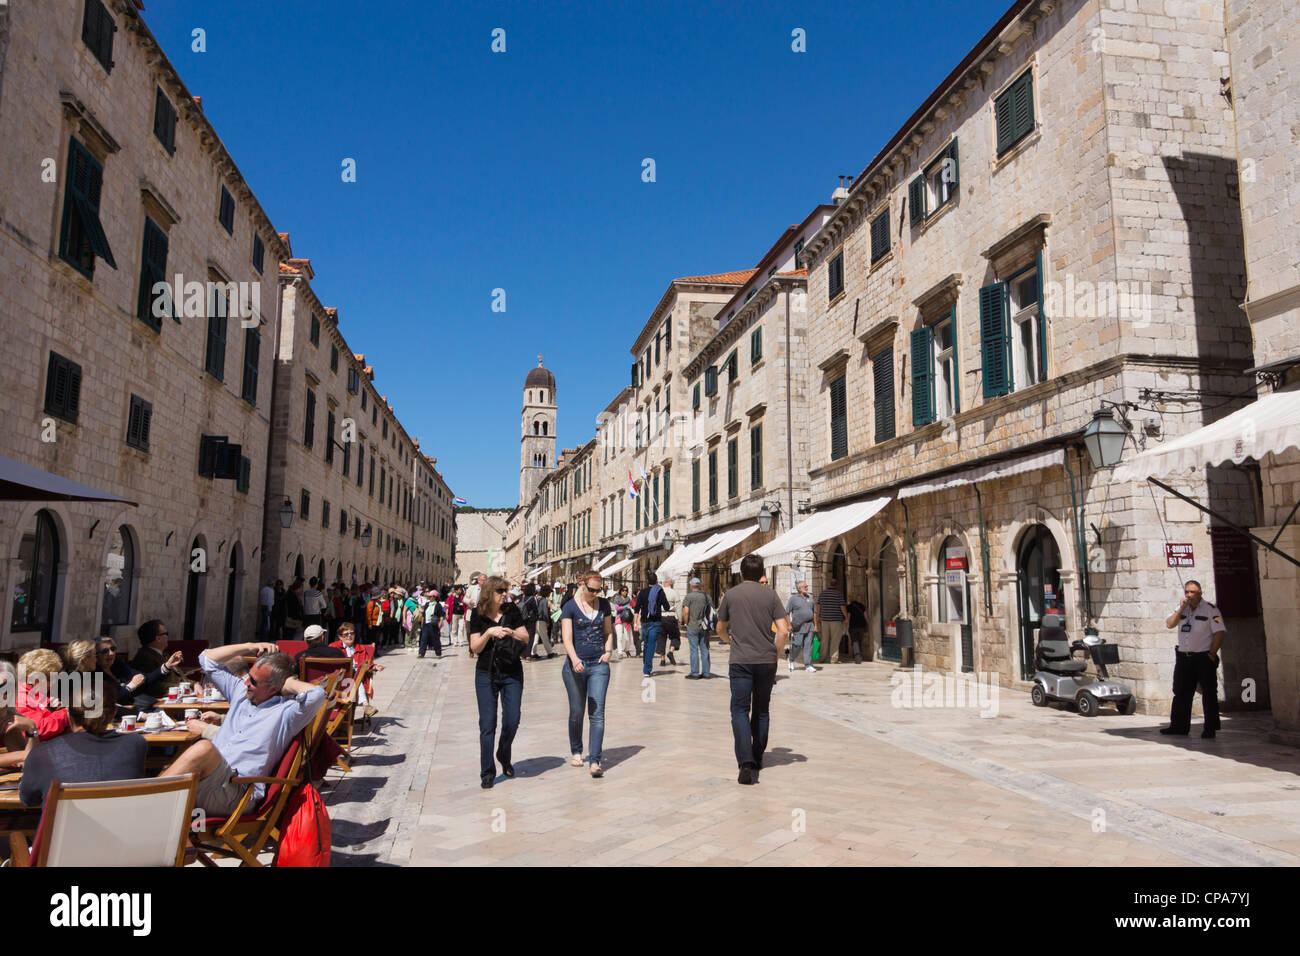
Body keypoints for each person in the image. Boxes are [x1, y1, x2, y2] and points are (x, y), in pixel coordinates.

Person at [162, 643, 326, 818]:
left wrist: (288, 682)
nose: (246, 682)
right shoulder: (240, 692)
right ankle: (153, 822)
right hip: (211, 778)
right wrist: (250, 646)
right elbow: (207, 659)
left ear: (273, 688)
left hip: (237, 791)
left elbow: (318, 694)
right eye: (248, 676)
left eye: (254, 681)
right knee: (169, 772)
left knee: (203, 749)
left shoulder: (287, 713)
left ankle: (141, 806)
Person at [716, 554, 791, 785]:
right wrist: (776, 655)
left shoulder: (731, 595)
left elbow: (720, 627)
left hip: (740, 660)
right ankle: (757, 757)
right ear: (761, 574)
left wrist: (730, 641)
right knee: (761, 710)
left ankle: (746, 763)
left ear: (741, 573)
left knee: (739, 710)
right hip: (765, 661)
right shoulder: (770, 595)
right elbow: (784, 631)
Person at [19, 685, 146, 807]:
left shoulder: (43, 753)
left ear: (68, 715)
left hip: (65, 828)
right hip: (121, 826)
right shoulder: (135, 744)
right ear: (113, 714)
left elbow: (28, 799)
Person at [469, 575, 529, 789]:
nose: (505, 594)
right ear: (489, 593)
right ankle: (487, 772)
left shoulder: (511, 611)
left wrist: (510, 631)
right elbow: (475, 647)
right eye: (501, 591)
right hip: (486, 674)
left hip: (512, 672)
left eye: (506, 590)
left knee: (512, 719)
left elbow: (525, 637)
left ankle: (503, 753)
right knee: (487, 724)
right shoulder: (478, 614)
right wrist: (488, 633)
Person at [560, 570, 613, 777]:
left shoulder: (605, 605)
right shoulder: (570, 607)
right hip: (575, 665)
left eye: (598, 590)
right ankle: (576, 750)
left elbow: (608, 632)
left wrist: (608, 651)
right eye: (591, 590)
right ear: (582, 585)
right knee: (576, 711)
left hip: (599, 665)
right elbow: (566, 638)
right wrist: (574, 660)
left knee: (597, 713)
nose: (594, 594)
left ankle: (596, 760)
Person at [1162, 580, 1226, 739]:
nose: (1189, 595)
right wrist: (1182, 608)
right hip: (1184, 657)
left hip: (1203, 657)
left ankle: (1210, 728)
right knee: (1181, 692)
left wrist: (1212, 653)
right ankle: (1179, 726)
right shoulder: (1182, 608)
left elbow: (1219, 632)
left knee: (1209, 692)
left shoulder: (1211, 610)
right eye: (1187, 592)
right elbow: (1169, 624)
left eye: (1193, 592)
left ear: (1200, 593)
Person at [15, 648, 71, 741]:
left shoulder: (35, 692)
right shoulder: (20, 697)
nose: (52, 683)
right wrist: (66, 714)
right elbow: (37, 731)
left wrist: (56, 708)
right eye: (49, 678)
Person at [332, 622, 383, 719]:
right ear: (340, 637)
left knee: (356, 678)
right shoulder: (333, 647)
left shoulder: (361, 649)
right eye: (346, 634)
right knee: (354, 679)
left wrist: (375, 667)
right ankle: (365, 705)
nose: (349, 636)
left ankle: (363, 707)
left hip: (355, 679)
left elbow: (367, 664)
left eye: (352, 633)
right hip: (339, 680)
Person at [94, 637, 158, 710]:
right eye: (105, 651)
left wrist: (166, 667)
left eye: (113, 649)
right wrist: (131, 686)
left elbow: (145, 678)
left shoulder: (117, 665)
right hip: (121, 713)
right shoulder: (95, 674)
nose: (111, 653)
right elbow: (113, 699)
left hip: (140, 706)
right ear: (96, 655)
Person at [131, 620, 186, 699]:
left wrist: (194, 684)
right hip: (162, 700)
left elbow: (180, 676)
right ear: (158, 638)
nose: (167, 637)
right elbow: (153, 686)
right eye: (166, 634)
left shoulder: (164, 654)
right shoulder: (144, 657)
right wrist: (182, 687)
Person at [0, 661, 37, 770]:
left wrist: (33, 729)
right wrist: (23, 755)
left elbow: (29, 764)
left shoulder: (6, 717)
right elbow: (25, 755)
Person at [634, 573, 670, 677]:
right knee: (651, 645)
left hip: (645, 621)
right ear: (656, 580)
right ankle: (647, 669)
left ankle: (646, 664)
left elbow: (637, 608)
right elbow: (667, 607)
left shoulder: (642, 593)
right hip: (656, 621)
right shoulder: (659, 591)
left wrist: (635, 623)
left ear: (647, 581)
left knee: (646, 644)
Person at [680, 577, 713, 679]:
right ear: (699, 586)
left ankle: (694, 673)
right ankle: (706, 673)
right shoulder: (706, 596)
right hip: (704, 626)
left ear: (691, 586)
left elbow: (686, 612)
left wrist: (686, 623)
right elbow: (711, 611)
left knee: (694, 649)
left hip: (692, 625)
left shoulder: (689, 597)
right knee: (705, 649)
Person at [814, 577, 848, 664]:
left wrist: (818, 616)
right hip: (836, 620)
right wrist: (846, 617)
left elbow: (818, 606)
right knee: (835, 640)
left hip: (825, 620)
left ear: (829, 584)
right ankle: (833, 659)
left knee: (824, 639)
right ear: (836, 585)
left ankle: (822, 658)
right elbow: (842, 607)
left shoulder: (823, 594)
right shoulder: (838, 594)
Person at [786, 580, 817, 673]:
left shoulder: (810, 598)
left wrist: (816, 625)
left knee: (808, 645)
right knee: (797, 644)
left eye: (807, 586)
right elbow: (787, 612)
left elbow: (814, 612)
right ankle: (791, 658)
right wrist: (788, 625)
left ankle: (808, 665)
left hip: (810, 625)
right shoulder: (793, 599)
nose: (807, 588)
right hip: (798, 626)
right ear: (799, 589)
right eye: (805, 587)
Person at [659, 576, 683, 667]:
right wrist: (680, 619)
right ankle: (671, 651)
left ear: (664, 583)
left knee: (661, 638)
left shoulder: (659, 593)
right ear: (670, 583)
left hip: (661, 617)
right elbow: (678, 607)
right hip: (671, 617)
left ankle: (662, 660)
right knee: (675, 636)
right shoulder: (674, 593)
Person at [420, 590, 445, 659]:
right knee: (423, 639)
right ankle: (421, 653)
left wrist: (440, 623)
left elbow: (442, 615)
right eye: (429, 596)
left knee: (435, 639)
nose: (429, 598)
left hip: (433, 624)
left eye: (430, 596)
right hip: (426, 624)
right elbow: (423, 614)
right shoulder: (427, 604)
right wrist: (422, 622)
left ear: (434, 597)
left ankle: (438, 653)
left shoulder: (438, 605)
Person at [847, 596, 869, 664]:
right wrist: (868, 624)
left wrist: (846, 626)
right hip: (861, 626)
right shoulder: (862, 606)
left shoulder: (849, 607)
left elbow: (848, 617)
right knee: (859, 641)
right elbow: (866, 616)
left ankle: (857, 657)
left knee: (854, 642)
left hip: (853, 626)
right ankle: (859, 655)